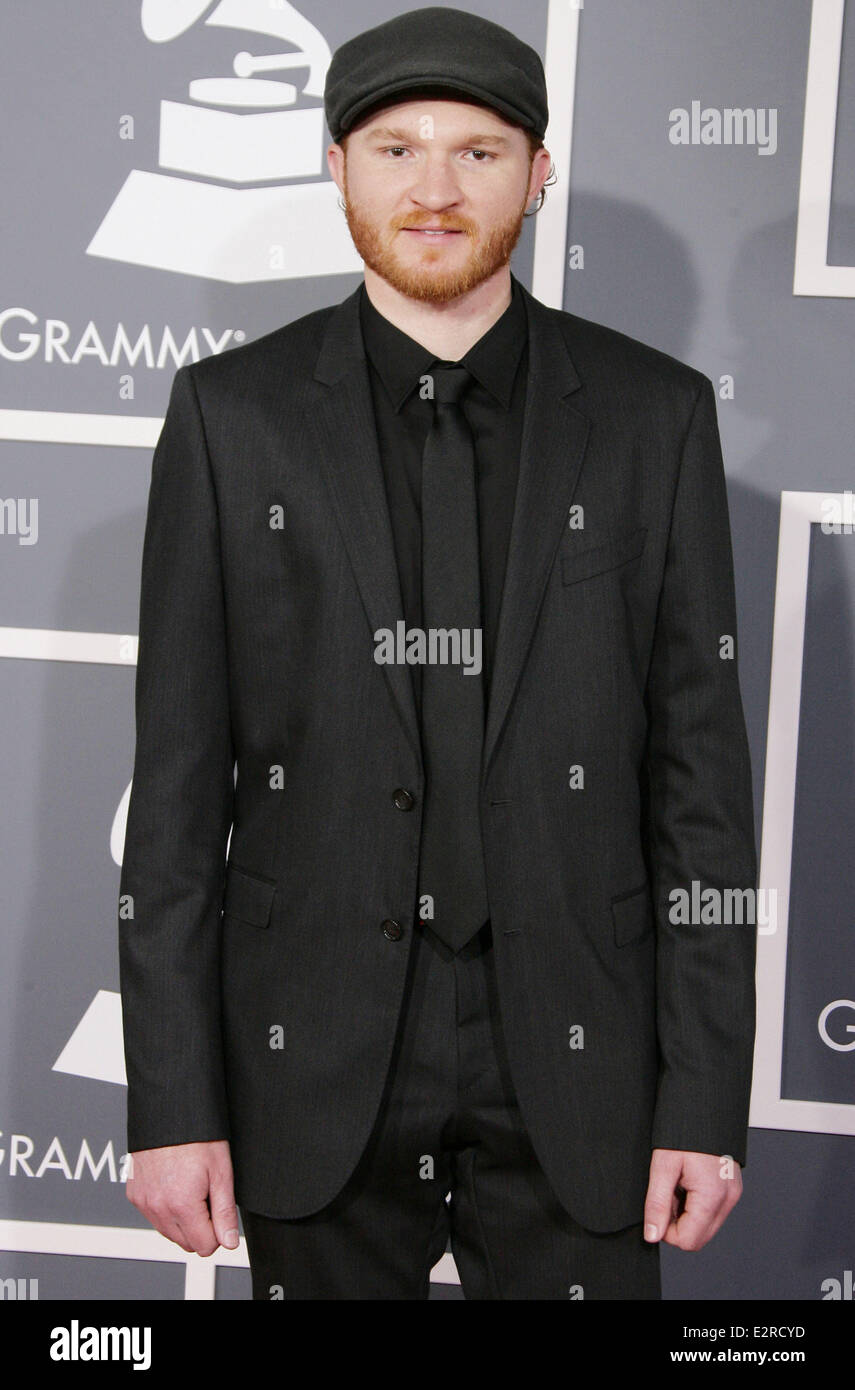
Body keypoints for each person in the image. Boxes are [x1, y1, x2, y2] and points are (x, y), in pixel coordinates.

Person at [119, 6, 757, 1300]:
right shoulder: (230, 419)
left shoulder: (655, 417)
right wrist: (172, 1098)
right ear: (337, 167)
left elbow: (702, 794)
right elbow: (178, 796)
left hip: (583, 1057)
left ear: (538, 173)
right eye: (395, 147)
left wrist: (704, 1094)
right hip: (318, 1053)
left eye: (477, 151)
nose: (432, 187)